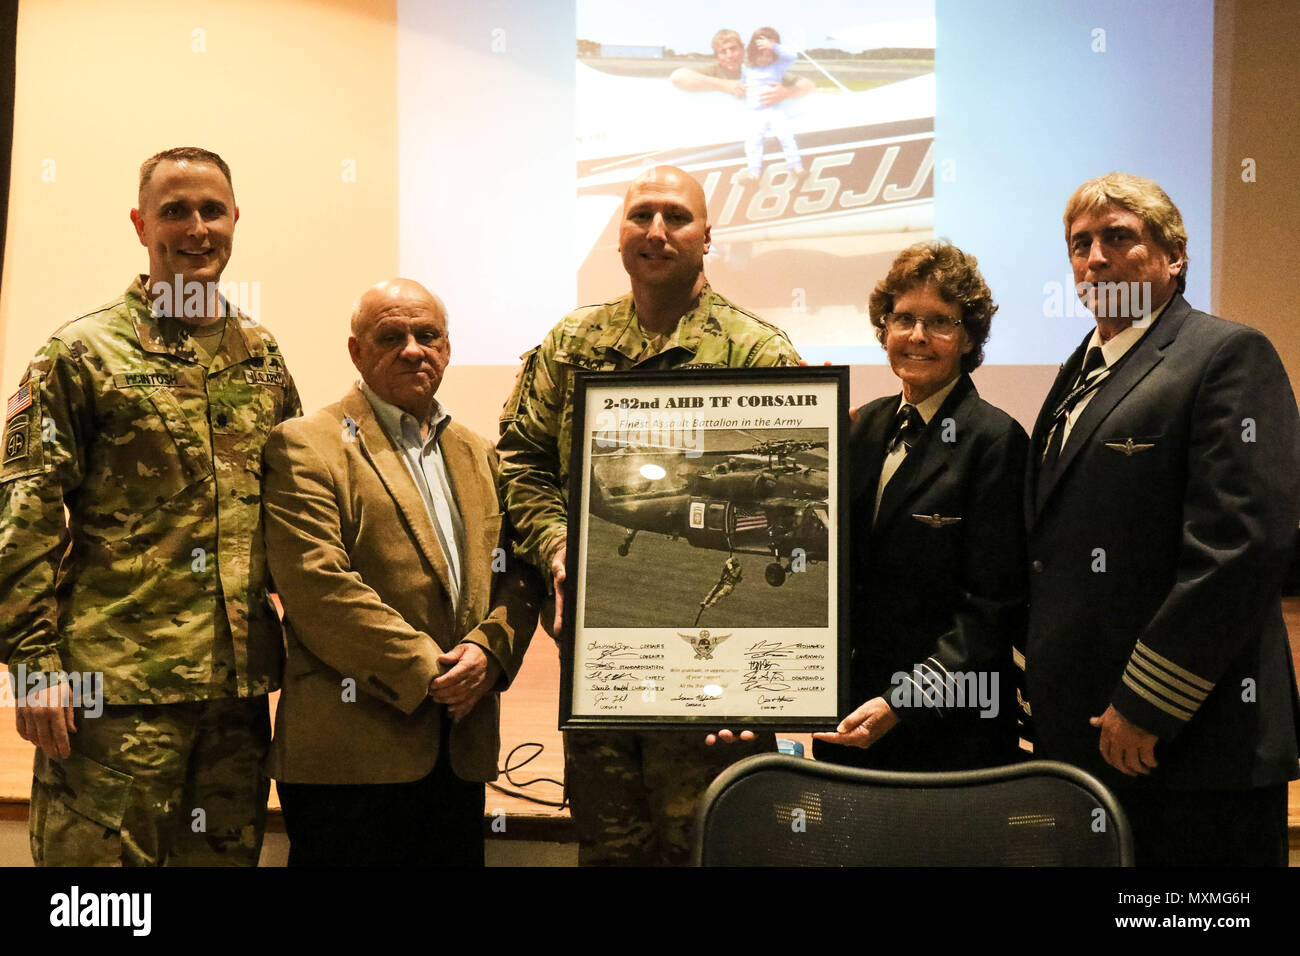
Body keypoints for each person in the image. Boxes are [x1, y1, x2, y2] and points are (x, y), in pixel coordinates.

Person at [0, 146, 301, 866]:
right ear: (141, 225)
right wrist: (34, 669)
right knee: (103, 906)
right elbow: (24, 518)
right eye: (175, 211)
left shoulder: (260, 356)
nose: (196, 228)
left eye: (211, 210)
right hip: (111, 696)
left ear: (234, 221)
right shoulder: (80, 353)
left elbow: (297, 510)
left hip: (233, 698)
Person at [498, 165, 800, 865]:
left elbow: (792, 501)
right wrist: (557, 544)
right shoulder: (572, 344)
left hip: (719, 672)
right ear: (620, 233)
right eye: (640, 216)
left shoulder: (759, 353)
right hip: (601, 659)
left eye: (676, 217)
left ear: (707, 235)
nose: (656, 232)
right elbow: (521, 459)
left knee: (713, 849)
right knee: (611, 850)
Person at [1025, 172, 1300, 865]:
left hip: (1189, 742)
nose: (1095, 257)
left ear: (1174, 256)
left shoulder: (1225, 354)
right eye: (1080, 243)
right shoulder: (1077, 373)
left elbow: (1242, 545)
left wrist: (1148, 702)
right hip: (1090, 739)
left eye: (1120, 238)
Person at [261, 278, 540, 866]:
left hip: (458, 755)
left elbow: (520, 574)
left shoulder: (481, 454)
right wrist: (434, 674)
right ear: (356, 352)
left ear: (447, 347)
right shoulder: (305, 445)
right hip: (348, 762)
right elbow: (317, 587)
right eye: (391, 336)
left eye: (427, 335)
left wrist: (490, 652)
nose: (413, 349)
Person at [812, 240, 1026, 770]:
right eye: (902, 318)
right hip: (847, 713)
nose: (917, 336)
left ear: (969, 334)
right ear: (883, 327)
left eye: (940, 322)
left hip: (946, 730)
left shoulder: (996, 441)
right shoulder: (858, 427)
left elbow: (991, 609)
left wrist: (903, 703)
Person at [670, 27, 814, 106]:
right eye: (723, 51)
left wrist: (786, 93)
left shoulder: (757, 70)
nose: (729, 55)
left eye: (733, 49)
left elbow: (808, 85)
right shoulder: (712, 70)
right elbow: (678, 77)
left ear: (743, 49)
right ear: (716, 56)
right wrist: (723, 85)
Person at [739, 28, 804, 182]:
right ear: (754, 54)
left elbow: (792, 56)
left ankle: (796, 165)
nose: (765, 58)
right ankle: (754, 173)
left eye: (769, 55)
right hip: (755, 112)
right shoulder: (746, 70)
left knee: (786, 135)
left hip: (774, 110)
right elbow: (741, 86)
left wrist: (773, 46)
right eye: (762, 54)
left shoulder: (776, 67)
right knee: (753, 140)